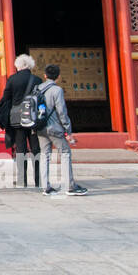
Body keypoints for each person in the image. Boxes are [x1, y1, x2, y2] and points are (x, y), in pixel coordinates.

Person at [38, 64, 89, 197]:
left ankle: (45, 187)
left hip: (40, 127)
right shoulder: (57, 90)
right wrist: (68, 130)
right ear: (59, 77)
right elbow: (62, 111)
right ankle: (70, 186)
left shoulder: (37, 88)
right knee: (65, 153)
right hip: (54, 128)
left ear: (45, 75)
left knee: (45, 155)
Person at [0, 53, 42, 188]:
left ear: (18, 66)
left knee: (21, 149)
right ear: (29, 65)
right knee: (36, 149)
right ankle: (39, 180)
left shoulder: (12, 79)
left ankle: (22, 180)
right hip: (33, 118)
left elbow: (6, 97)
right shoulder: (37, 80)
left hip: (17, 118)